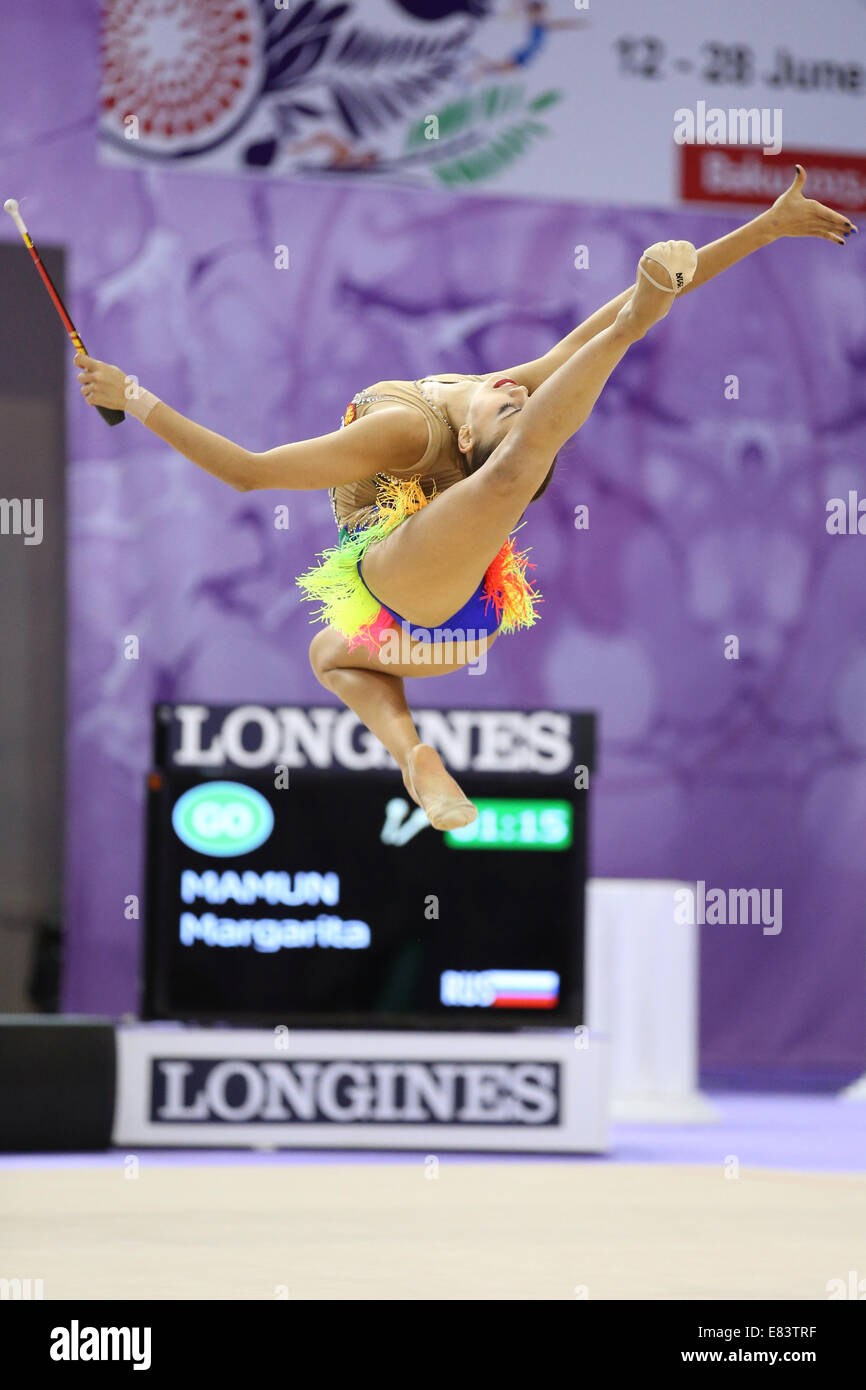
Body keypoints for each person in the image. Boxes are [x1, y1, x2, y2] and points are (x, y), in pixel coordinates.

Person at [75, 167, 856, 829]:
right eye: (510, 398)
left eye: (510, 406)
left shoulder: (406, 435)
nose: (511, 388)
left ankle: (624, 335)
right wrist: (762, 229)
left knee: (518, 473)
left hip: (423, 596)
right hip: (450, 628)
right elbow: (652, 291)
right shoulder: (496, 387)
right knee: (329, 654)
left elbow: (249, 471)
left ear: (473, 441)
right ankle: (415, 757)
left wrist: (134, 395)